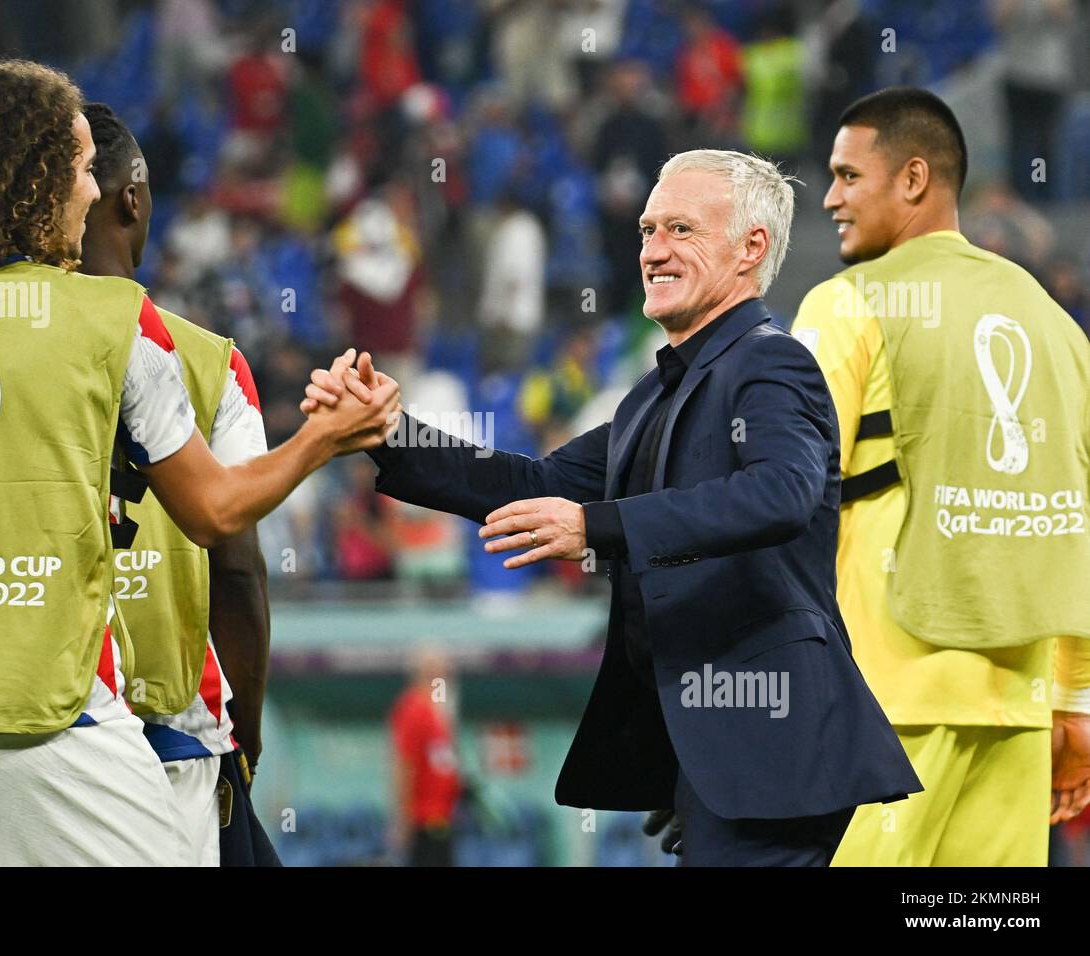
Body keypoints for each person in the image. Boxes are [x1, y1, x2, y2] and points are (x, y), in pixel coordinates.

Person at [0, 59, 397, 866]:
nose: (90, 191)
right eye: (79, 171)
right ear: (32, 184)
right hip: (52, 719)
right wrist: (324, 437)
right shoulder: (116, 321)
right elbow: (216, 513)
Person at [305, 149, 921, 866]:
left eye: (680, 230)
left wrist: (598, 526)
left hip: (773, 739)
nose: (653, 251)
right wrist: (390, 432)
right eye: (646, 230)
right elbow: (533, 482)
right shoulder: (654, 395)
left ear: (751, 248)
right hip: (724, 754)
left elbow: (781, 492)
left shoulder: (771, 361)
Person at [792, 86, 1090, 866]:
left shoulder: (846, 304)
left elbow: (788, 500)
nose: (830, 198)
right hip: (1021, 714)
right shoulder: (1058, 328)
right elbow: (1075, 526)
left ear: (914, 179)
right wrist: (1075, 702)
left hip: (881, 711)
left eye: (849, 176)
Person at [78, 102, 278, 866]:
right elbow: (238, 568)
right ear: (134, 199)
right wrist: (245, 726)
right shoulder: (208, 361)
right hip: (172, 739)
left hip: (21, 730)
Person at [388, 648, 461, 866]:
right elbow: (404, 766)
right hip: (423, 821)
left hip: (441, 818)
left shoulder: (436, 711)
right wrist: (402, 821)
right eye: (440, 672)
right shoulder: (414, 709)